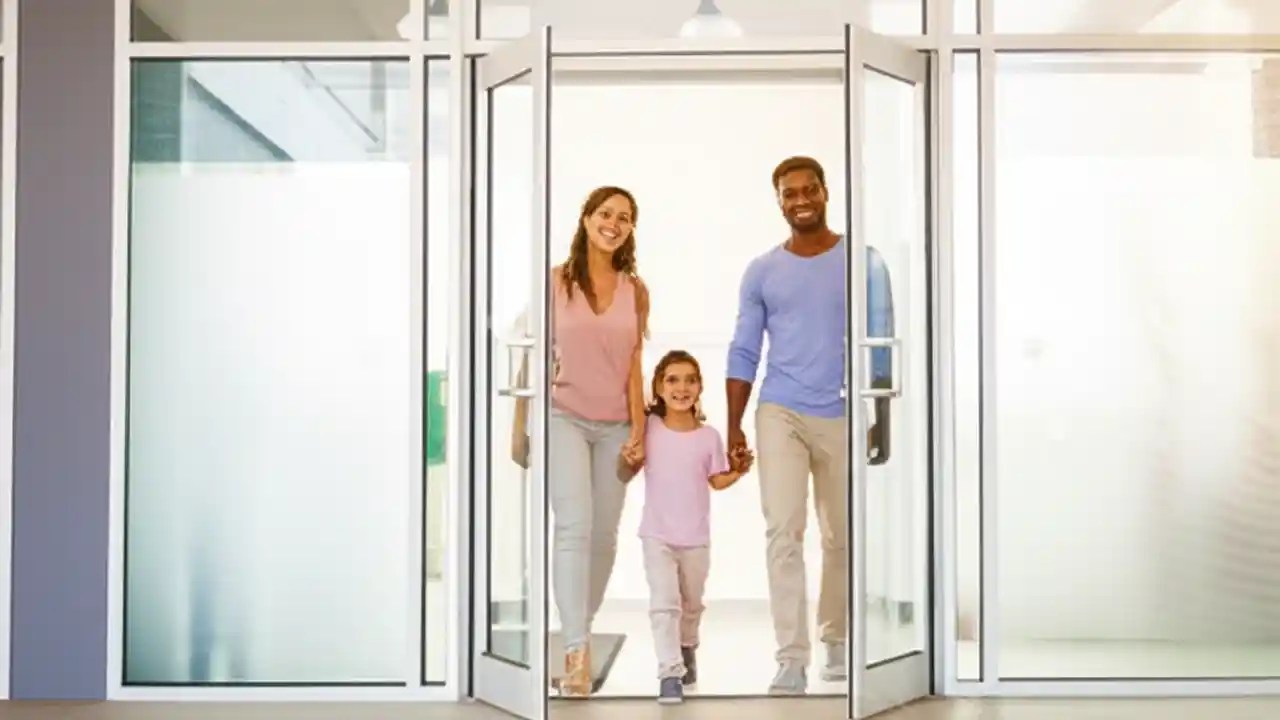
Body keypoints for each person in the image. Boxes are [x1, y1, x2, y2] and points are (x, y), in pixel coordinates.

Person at [725, 156, 895, 695]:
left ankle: (835, 637)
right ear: (778, 200)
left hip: (840, 410)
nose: (800, 199)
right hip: (780, 411)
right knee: (784, 533)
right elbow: (744, 349)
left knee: (839, 535)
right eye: (788, 192)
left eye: (808, 189)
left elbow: (881, 339)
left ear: (825, 192)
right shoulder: (762, 271)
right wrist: (733, 427)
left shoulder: (863, 261)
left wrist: (880, 417)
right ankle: (791, 656)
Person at [544, 185, 649, 697]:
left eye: (624, 218)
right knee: (574, 527)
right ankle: (576, 651)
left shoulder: (636, 289)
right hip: (562, 415)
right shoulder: (555, 282)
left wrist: (640, 431)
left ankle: (578, 628)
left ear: (631, 229)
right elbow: (531, 354)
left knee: (604, 536)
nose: (614, 223)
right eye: (605, 213)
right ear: (586, 219)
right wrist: (521, 425)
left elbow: (634, 366)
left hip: (615, 427)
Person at [620, 350, 754, 704]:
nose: (682, 387)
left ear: (700, 387)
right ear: (659, 388)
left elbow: (717, 480)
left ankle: (687, 645)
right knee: (665, 603)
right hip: (657, 534)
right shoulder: (648, 428)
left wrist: (739, 470)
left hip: (695, 537)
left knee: (691, 604)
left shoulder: (708, 437)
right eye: (673, 380)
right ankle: (669, 672)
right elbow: (630, 464)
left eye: (690, 380)